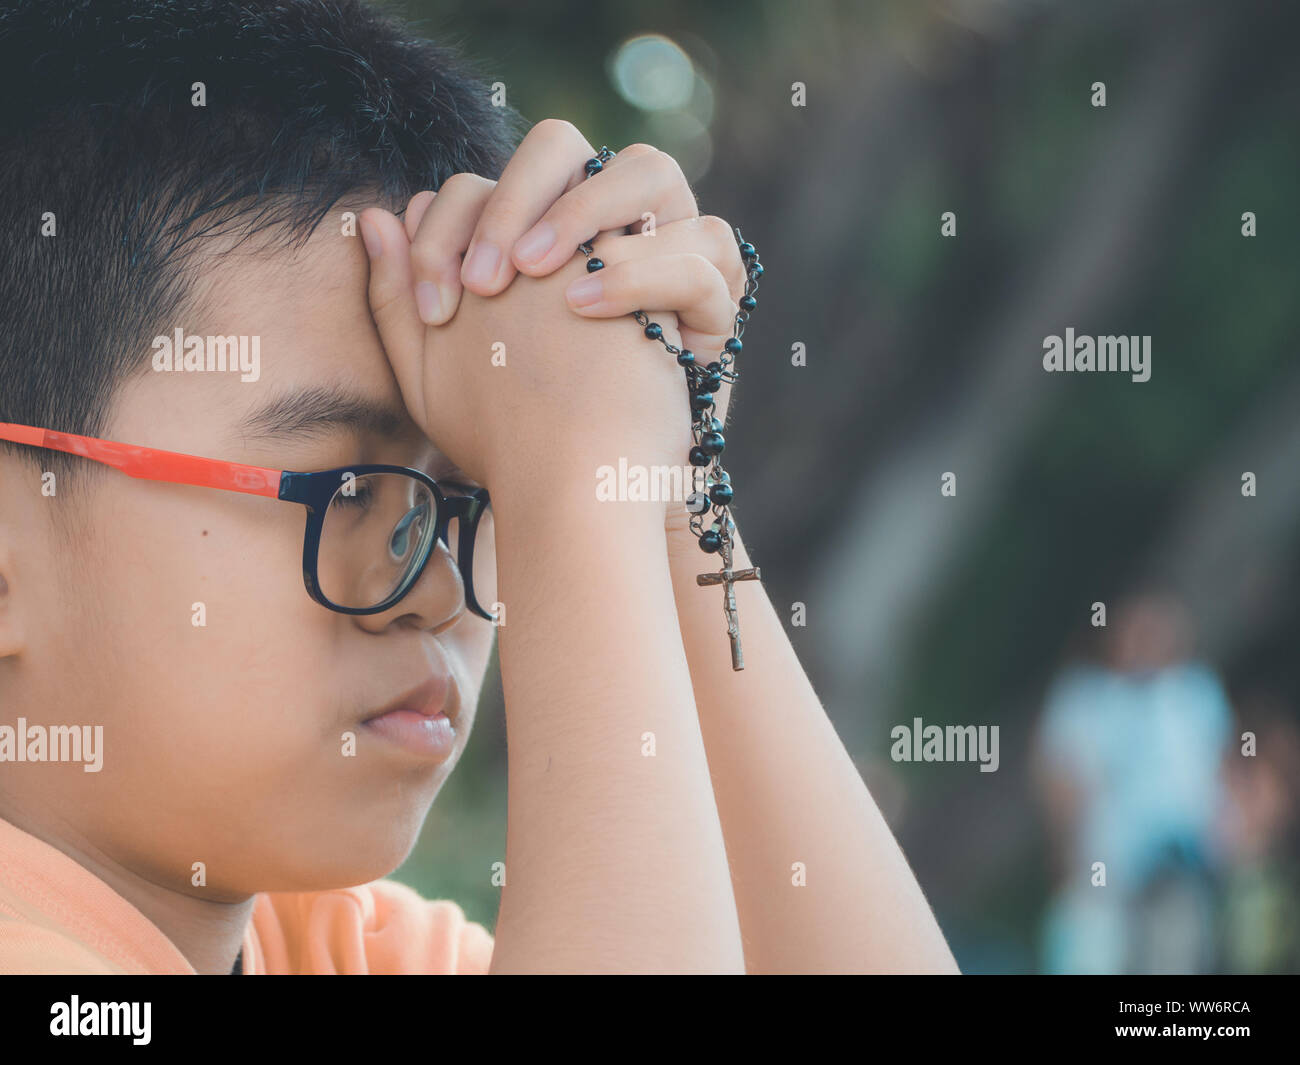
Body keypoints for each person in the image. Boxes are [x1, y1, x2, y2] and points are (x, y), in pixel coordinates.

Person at [0, 0, 957, 974]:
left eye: (481, 489)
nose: (437, 593)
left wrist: (666, 482)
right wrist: (577, 480)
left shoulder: (335, 948)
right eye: (342, 488)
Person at [1033, 592, 1232, 973]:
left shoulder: (1196, 694)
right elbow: (1059, 786)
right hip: (1102, 875)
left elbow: (1219, 778)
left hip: (1178, 873)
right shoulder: (1084, 697)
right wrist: (1067, 858)